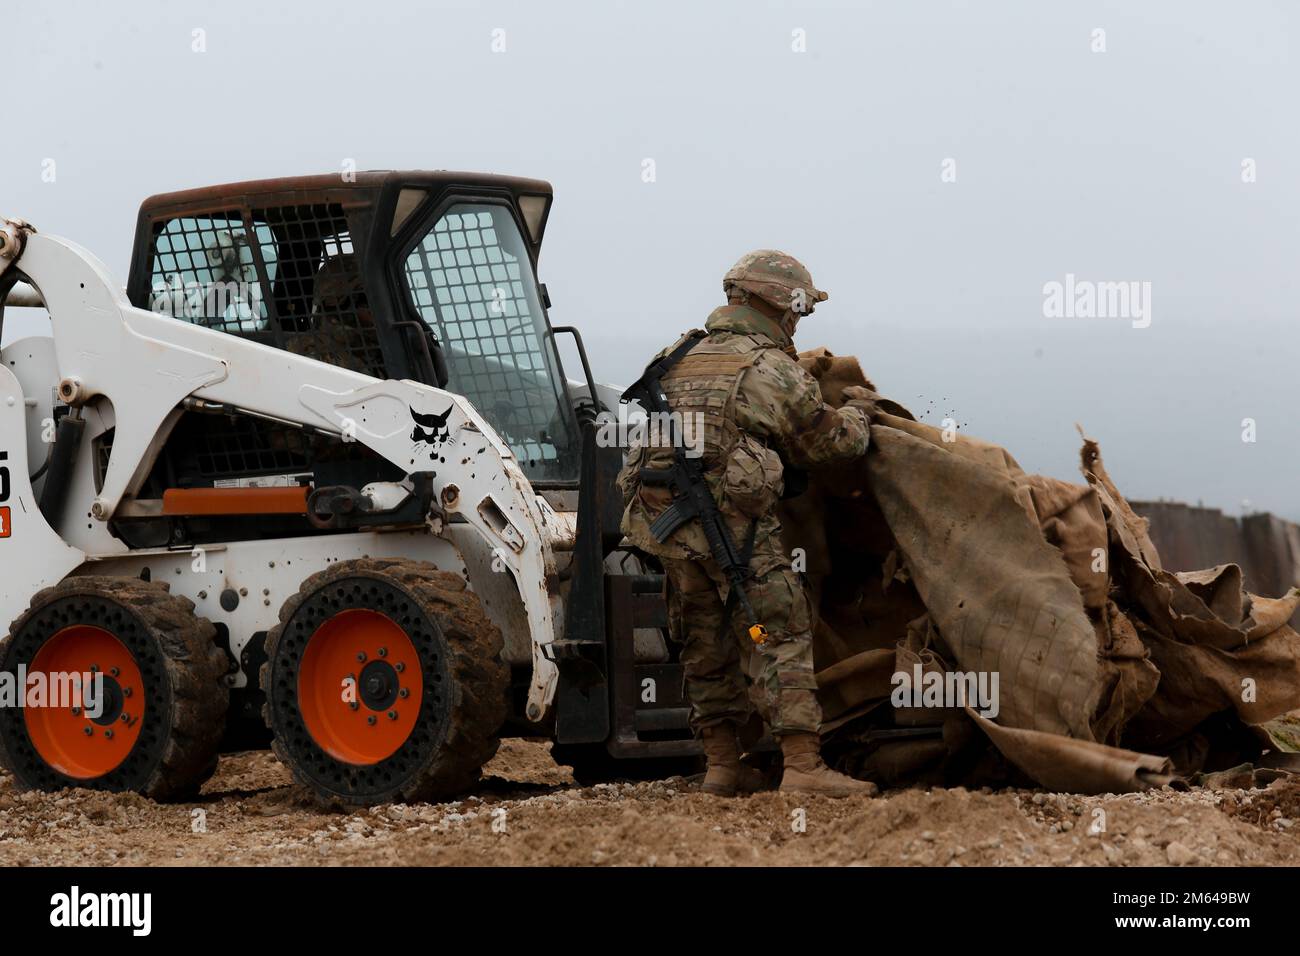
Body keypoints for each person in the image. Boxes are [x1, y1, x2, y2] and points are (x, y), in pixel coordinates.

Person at [618, 250, 877, 797]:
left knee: (703, 645)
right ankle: (803, 767)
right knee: (778, 634)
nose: (799, 322)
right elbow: (831, 442)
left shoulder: (676, 354)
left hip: (672, 532)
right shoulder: (766, 368)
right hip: (737, 534)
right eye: (798, 310)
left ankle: (722, 767)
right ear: (778, 304)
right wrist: (860, 411)